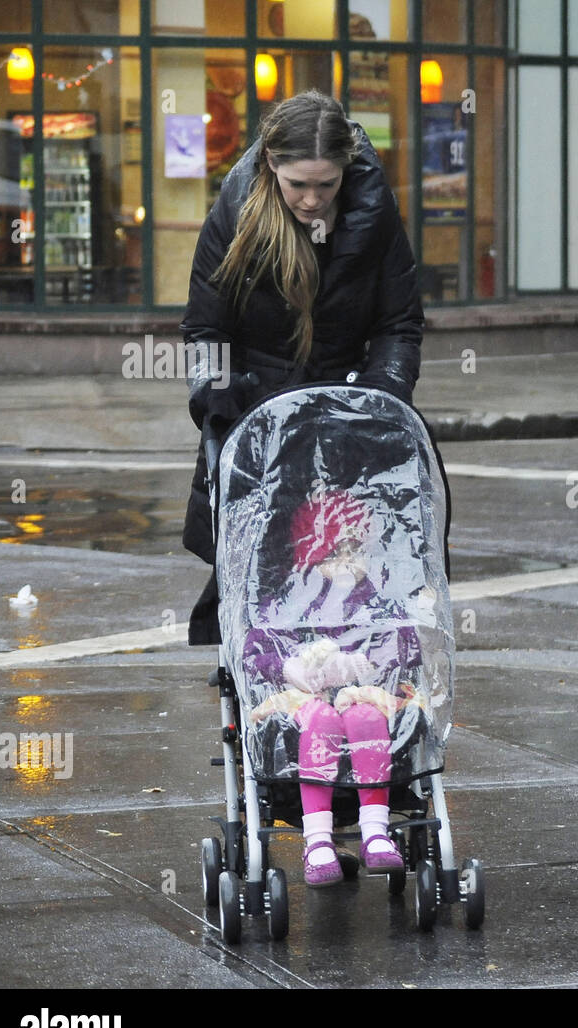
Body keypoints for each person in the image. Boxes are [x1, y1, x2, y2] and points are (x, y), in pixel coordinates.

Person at [181, 89, 424, 646]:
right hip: (256, 412)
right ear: (271, 164)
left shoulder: (376, 216)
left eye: (326, 184)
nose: (312, 200)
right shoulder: (237, 213)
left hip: (348, 412)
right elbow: (206, 327)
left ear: (346, 170)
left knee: (350, 569)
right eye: (298, 185)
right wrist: (217, 390)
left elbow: (398, 324)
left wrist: (384, 391)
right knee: (262, 571)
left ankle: (350, 687)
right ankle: (266, 688)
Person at [242, 489, 422, 885]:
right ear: (311, 557)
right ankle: (318, 840)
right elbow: (255, 653)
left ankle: (375, 831)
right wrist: (289, 667)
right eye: (333, 555)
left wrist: (368, 664)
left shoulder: (377, 600)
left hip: (363, 693)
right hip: (303, 702)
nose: (346, 563)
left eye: (354, 551)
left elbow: (404, 645)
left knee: (367, 716)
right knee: (319, 718)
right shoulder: (289, 602)